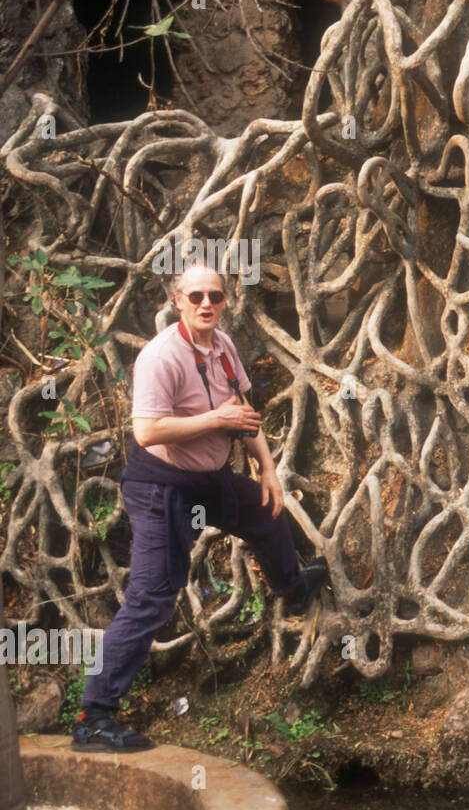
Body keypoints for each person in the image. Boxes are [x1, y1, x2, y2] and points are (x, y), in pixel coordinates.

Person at [72, 264, 330, 752]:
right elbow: (147, 431)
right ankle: (94, 717)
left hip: (209, 480)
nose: (206, 303)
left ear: (225, 300)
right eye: (196, 297)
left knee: (263, 507)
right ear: (177, 301)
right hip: (161, 488)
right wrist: (216, 418)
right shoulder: (160, 358)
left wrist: (268, 469)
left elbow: (245, 414)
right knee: (153, 596)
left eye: (214, 295)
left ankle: (291, 589)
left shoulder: (224, 347)